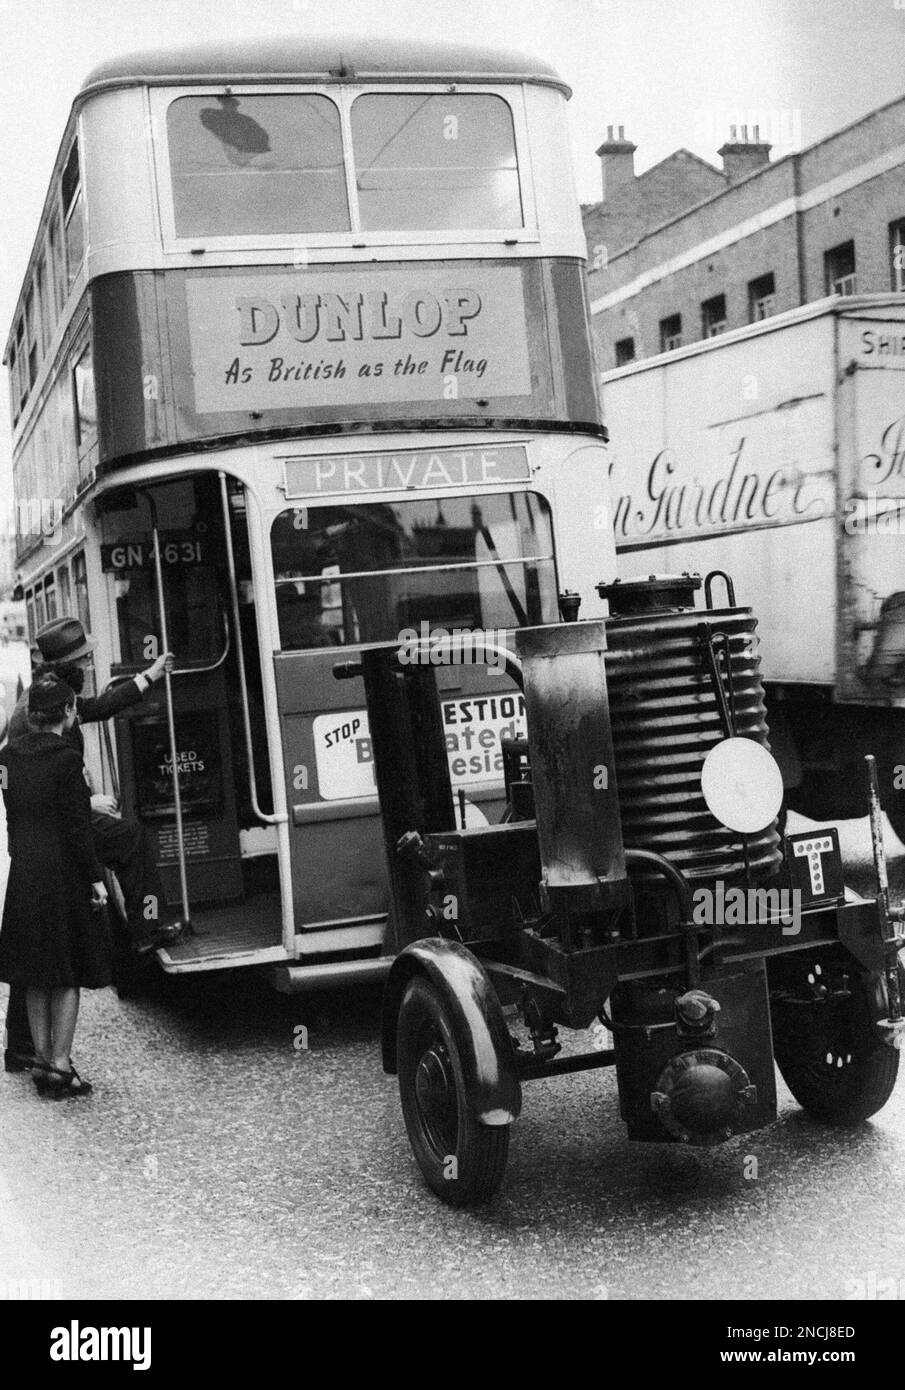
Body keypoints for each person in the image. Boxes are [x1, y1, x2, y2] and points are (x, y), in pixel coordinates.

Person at [3, 617, 186, 1073]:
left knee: (35, 952)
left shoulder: (47, 698)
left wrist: (149, 675)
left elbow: (101, 706)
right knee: (127, 838)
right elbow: (42, 790)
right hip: (56, 835)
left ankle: (22, 1047)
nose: (89, 662)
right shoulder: (38, 713)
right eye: (83, 658)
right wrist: (88, 806)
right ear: (69, 664)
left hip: (42, 840)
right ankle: (147, 928)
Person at [0, 675, 111, 1097]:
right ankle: (61, 1065)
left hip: (26, 871)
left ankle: (44, 1062)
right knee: (66, 972)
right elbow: (77, 827)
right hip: (62, 872)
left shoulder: (7, 760)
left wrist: (20, 855)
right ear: (66, 713)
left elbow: (11, 816)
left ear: (31, 715)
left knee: (34, 970)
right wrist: (95, 879)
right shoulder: (68, 760)